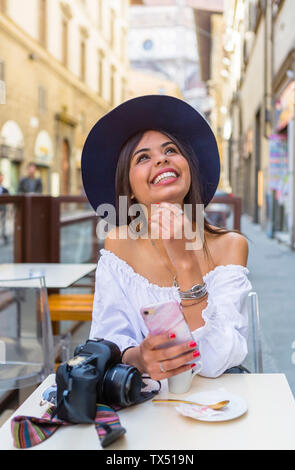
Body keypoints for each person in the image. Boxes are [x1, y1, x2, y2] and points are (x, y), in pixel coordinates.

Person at [81, 95, 252, 381]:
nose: (161, 158)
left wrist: (185, 262)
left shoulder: (231, 246)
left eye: (171, 150)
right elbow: (108, 341)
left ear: (187, 167)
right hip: (145, 405)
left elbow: (216, 362)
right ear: (130, 188)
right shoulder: (118, 245)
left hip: (219, 407)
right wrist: (140, 358)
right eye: (143, 157)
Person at [0, 172, 9, 243]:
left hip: (3, 209)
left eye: (1, 177)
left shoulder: (5, 189)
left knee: (3, 223)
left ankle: (3, 236)